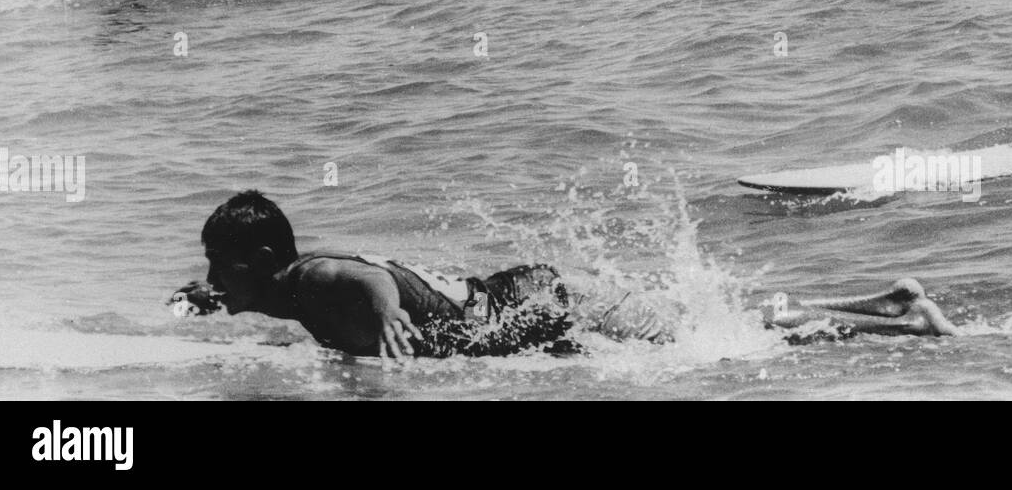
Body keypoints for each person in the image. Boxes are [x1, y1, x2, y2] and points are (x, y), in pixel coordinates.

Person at [170, 191, 955, 360]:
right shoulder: (269, 288)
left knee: (725, 345)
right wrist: (198, 300)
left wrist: (384, 320)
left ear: (264, 264)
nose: (214, 282)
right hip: (525, 296)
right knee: (717, 324)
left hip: (532, 307)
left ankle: (902, 325)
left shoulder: (314, 280)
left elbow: (364, 276)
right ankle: (885, 301)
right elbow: (220, 296)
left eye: (220, 271)